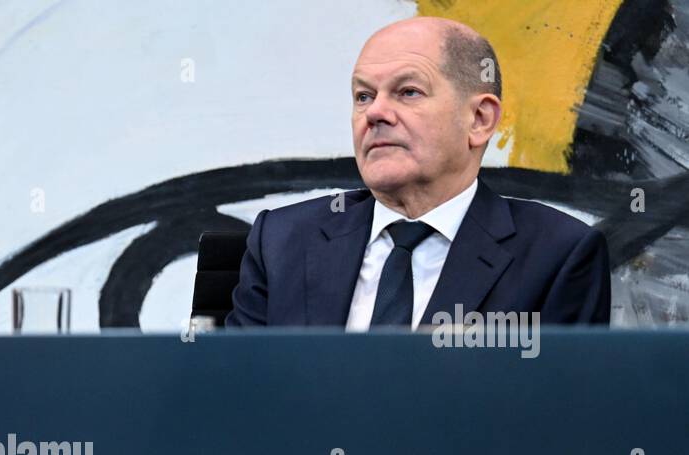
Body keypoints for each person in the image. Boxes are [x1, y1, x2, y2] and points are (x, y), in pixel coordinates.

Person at [226, 16, 611, 330]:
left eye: (408, 91)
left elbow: (556, 417)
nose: (375, 113)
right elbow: (237, 396)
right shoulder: (281, 241)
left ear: (479, 119)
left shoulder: (558, 255)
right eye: (363, 96)